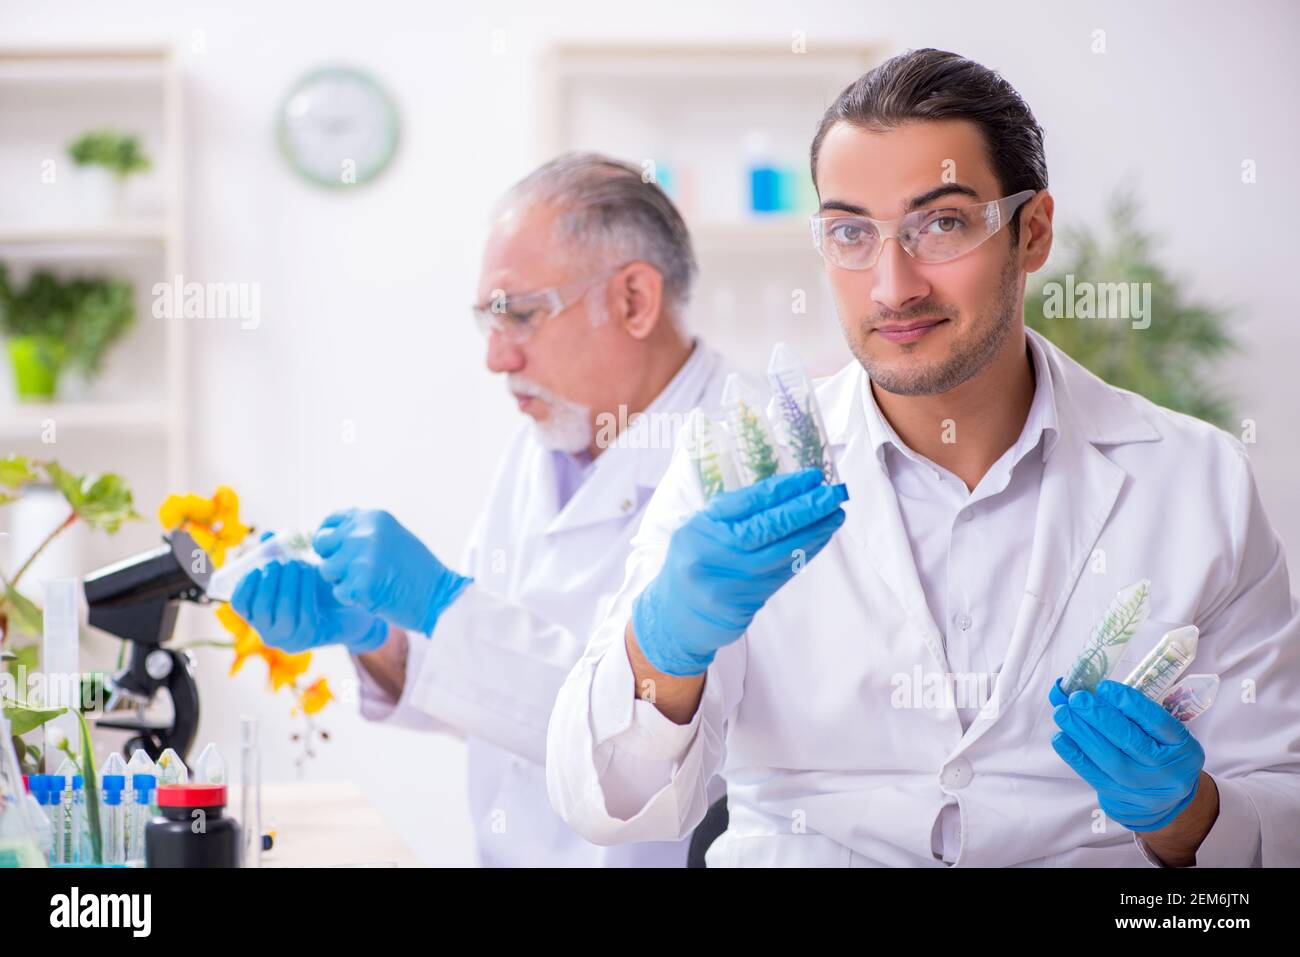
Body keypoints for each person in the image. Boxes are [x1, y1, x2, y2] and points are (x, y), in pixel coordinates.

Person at [546, 49, 1300, 867]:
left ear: (1033, 231)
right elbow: (604, 800)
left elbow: (1280, 806)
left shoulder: (1198, 479)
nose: (891, 285)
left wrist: (1189, 813)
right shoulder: (732, 467)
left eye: (942, 224)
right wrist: (665, 642)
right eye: (850, 233)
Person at [232, 153, 733, 866]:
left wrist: (442, 603)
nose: (497, 359)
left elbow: (639, 739)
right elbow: (494, 692)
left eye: (520, 315)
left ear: (633, 301)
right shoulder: (546, 443)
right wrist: (382, 634)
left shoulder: (743, 459)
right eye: (488, 322)